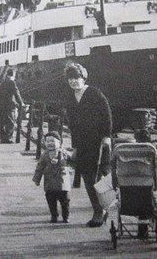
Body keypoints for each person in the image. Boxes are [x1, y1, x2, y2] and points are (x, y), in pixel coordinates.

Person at [64, 62, 112, 228]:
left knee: (97, 177)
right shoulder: (70, 98)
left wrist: (106, 136)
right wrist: (75, 146)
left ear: (83, 77)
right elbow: (72, 125)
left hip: (98, 142)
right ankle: (99, 210)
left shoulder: (94, 93)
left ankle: (100, 211)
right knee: (87, 177)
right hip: (82, 144)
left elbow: (106, 115)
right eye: (70, 79)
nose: (73, 82)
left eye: (76, 78)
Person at [32, 131, 72, 223]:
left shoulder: (64, 153)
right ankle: (54, 215)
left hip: (62, 183)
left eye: (53, 141)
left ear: (59, 142)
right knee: (51, 200)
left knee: (65, 201)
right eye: (48, 141)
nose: (50, 143)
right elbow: (39, 167)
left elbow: (73, 159)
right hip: (49, 183)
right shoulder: (44, 155)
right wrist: (36, 179)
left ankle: (66, 216)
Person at [0, 68, 24, 144]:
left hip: (2, 105)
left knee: (3, 122)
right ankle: (6, 138)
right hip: (10, 105)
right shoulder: (12, 82)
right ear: (13, 74)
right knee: (11, 123)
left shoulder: (3, 82)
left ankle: (3, 138)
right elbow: (16, 93)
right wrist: (21, 103)